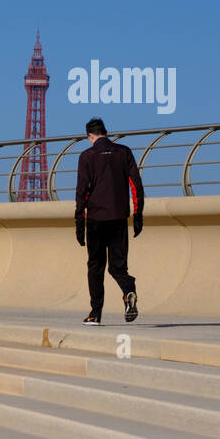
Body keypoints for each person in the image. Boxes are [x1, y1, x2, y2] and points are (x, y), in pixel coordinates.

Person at [75, 118, 144, 325]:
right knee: (117, 267)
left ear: (90, 136)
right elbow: (136, 187)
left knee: (95, 267)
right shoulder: (123, 152)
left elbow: (82, 192)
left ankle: (95, 314)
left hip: (96, 220)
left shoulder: (87, 156)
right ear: (105, 132)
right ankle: (128, 290)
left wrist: (79, 223)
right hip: (118, 218)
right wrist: (138, 216)